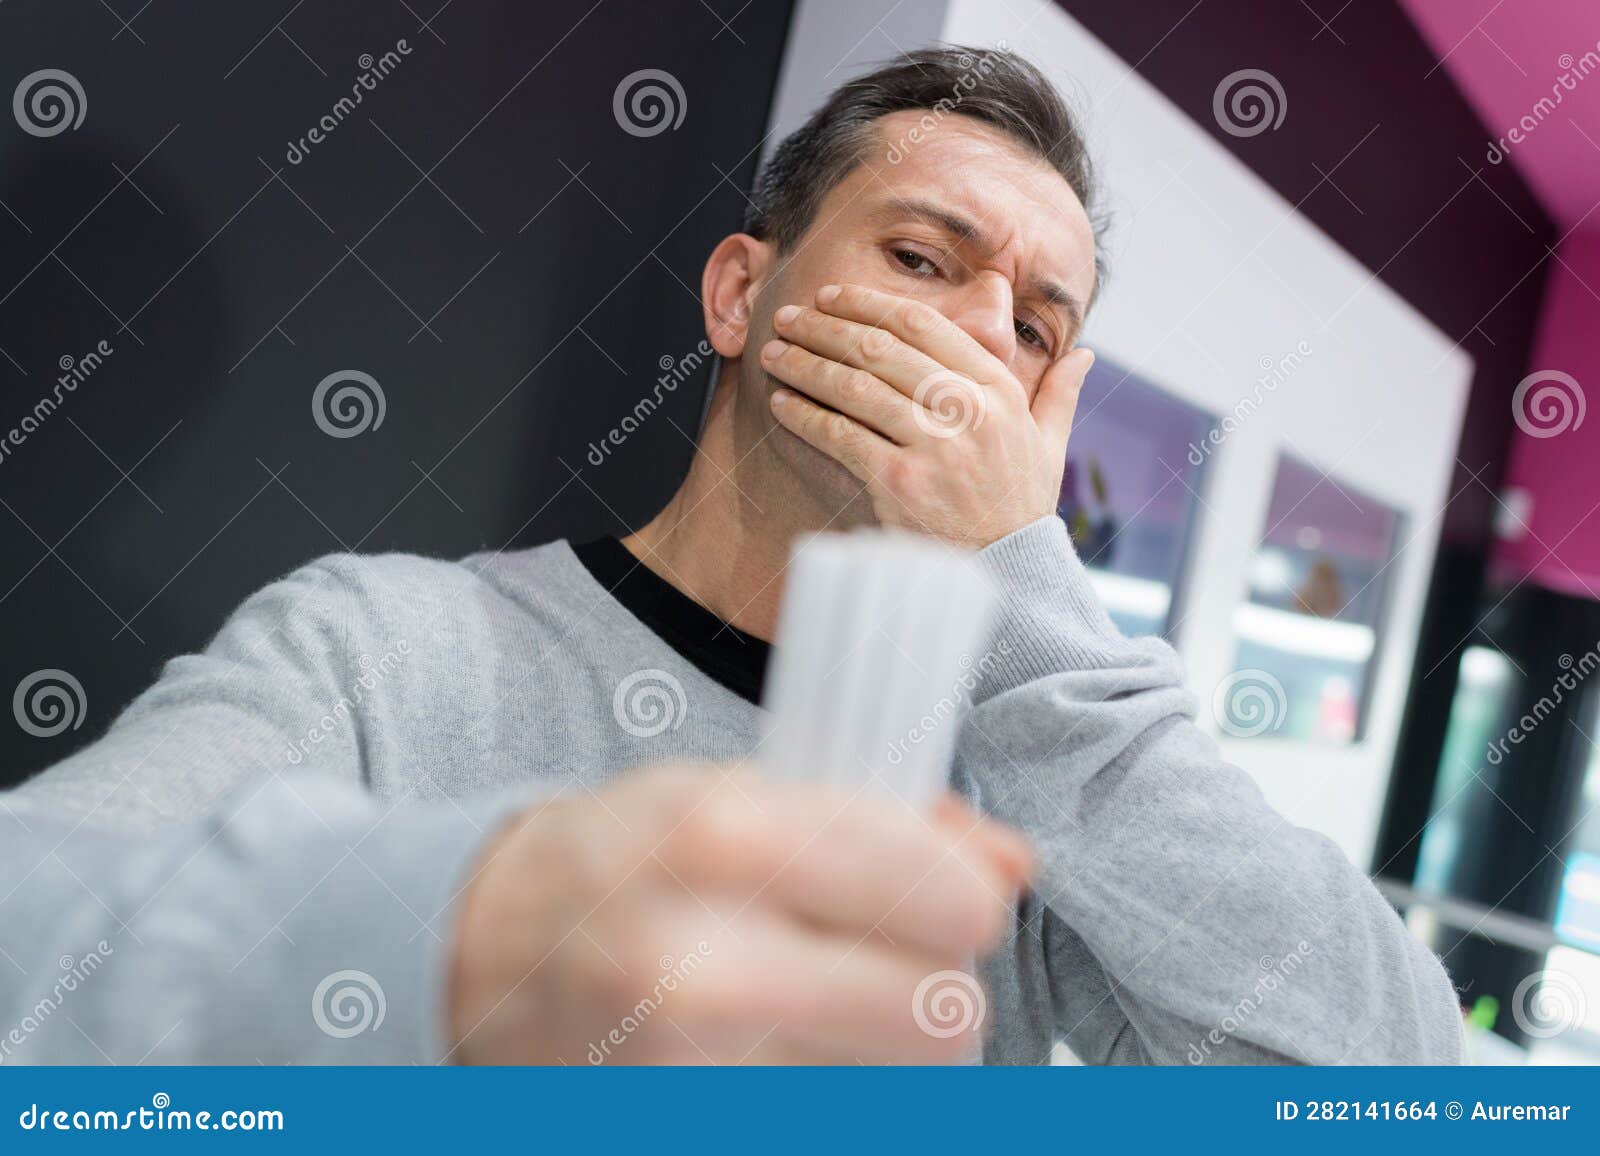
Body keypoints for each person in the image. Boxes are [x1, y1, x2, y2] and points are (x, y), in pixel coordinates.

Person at [1, 47, 1463, 1065]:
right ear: (740, 291)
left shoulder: (1026, 807)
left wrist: (1034, 597)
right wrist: (461, 938)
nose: (972, 332)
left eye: (1032, 326)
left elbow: (1392, 1089)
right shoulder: (382, 651)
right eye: (920, 258)